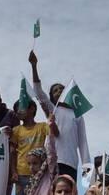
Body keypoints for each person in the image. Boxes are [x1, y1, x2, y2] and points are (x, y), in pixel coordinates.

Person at [28, 50, 90, 179]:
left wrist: (87, 169)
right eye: (55, 90)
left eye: (62, 89)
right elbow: (38, 91)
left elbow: (83, 142)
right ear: (52, 97)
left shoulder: (77, 114)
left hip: (71, 162)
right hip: (52, 159)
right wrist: (34, 66)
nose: (59, 91)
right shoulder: (53, 109)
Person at [9, 101, 57, 195]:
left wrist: (50, 120)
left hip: (41, 176)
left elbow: (53, 138)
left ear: (32, 109)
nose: (18, 112)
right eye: (16, 110)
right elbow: (12, 152)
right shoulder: (16, 130)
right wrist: (13, 171)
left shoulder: (42, 126)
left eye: (21, 109)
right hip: (22, 174)